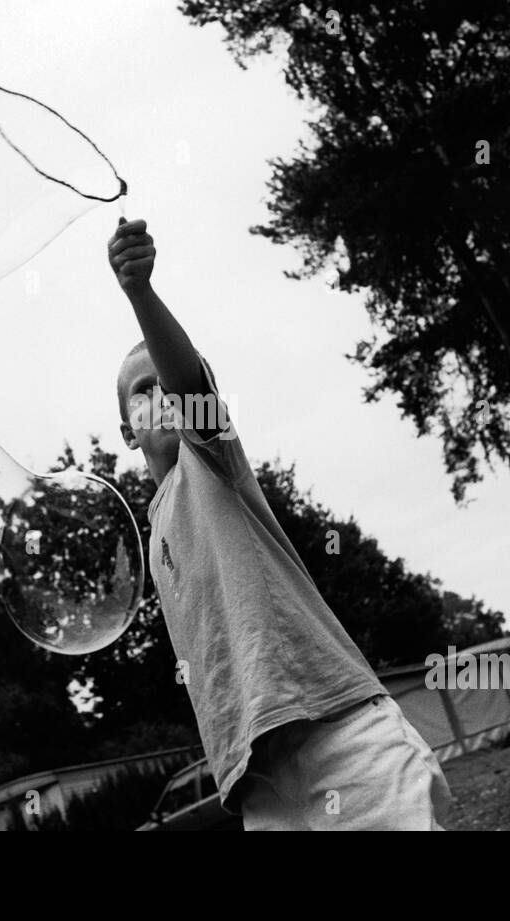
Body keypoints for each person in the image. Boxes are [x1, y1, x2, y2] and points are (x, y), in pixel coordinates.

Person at [107, 217, 453, 831]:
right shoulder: (155, 535)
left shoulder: (211, 462)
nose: (159, 394)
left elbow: (190, 389)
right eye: (141, 390)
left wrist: (140, 294)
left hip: (340, 733)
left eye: (165, 380)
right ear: (125, 430)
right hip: (257, 779)